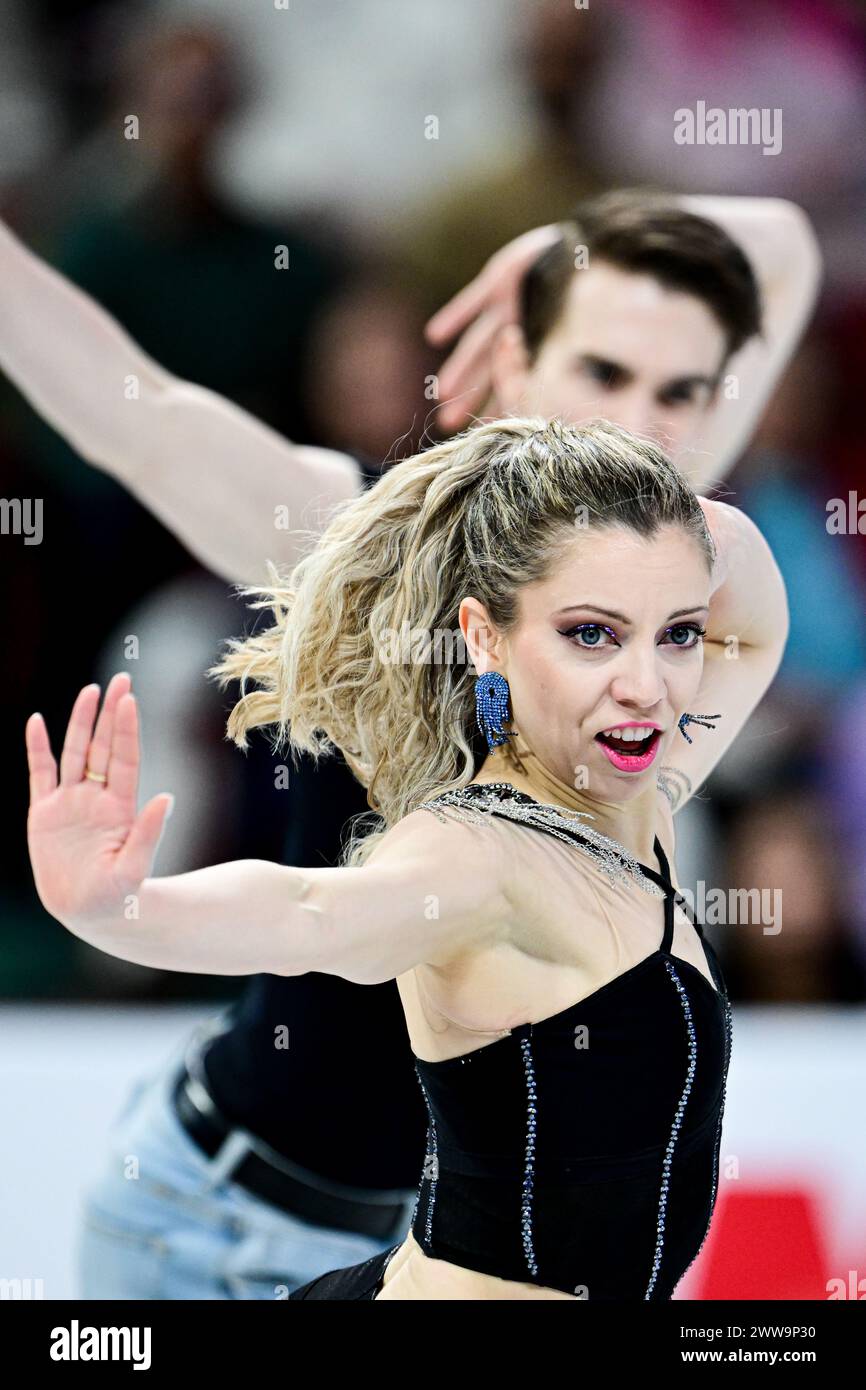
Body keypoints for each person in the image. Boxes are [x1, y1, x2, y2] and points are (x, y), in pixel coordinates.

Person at [3, 191, 816, 1297]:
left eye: (682, 390)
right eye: (603, 373)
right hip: (232, 1223)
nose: (644, 422)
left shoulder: (657, 588)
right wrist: (122, 910)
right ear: (509, 360)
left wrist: (583, 241)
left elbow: (785, 242)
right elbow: (127, 410)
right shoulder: (356, 539)